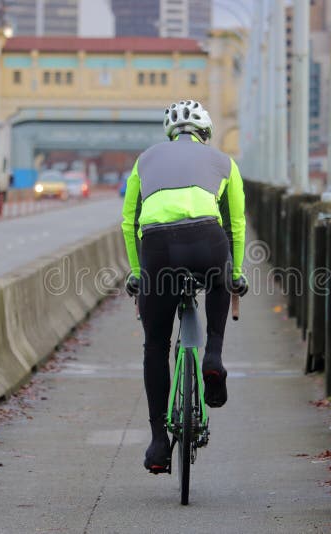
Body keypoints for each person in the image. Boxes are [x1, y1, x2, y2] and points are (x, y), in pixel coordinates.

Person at [121, 100, 249, 473]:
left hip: (158, 247)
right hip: (206, 239)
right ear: (205, 134)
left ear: (170, 134)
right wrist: (235, 271)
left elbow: (129, 221)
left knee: (156, 346)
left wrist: (136, 271)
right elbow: (236, 223)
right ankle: (213, 355)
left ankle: (159, 443)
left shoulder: (145, 159)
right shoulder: (225, 162)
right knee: (220, 277)